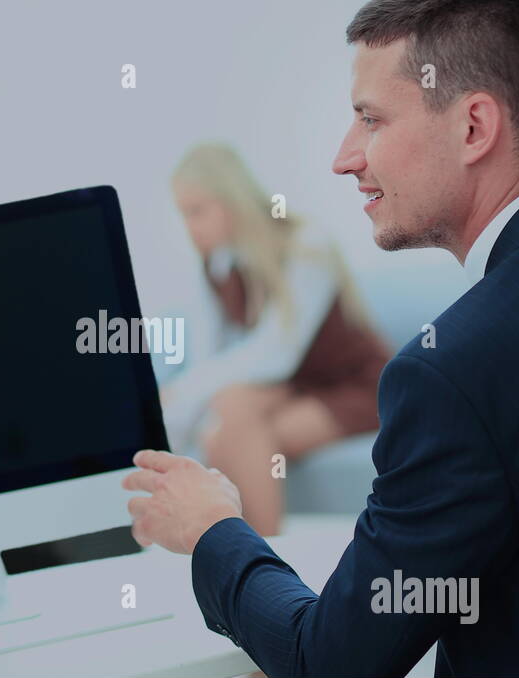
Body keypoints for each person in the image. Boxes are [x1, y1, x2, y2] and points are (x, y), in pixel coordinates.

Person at [122, 0, 519, 676]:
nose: (343, 158)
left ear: (473, 127)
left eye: (371, 119)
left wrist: (213, 531)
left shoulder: (452, 374)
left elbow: (327, 662)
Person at [162, 143, 391, 535]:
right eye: (184, 214)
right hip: (295, 389)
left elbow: (276, 355)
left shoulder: (305, 244)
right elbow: (211, 355)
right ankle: (255, 564)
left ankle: (265, 562)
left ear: (232, 201)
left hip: (355, 386)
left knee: (229, 434)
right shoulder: (217, 266)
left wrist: (181, 393)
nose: (190, 227)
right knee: (228, 419)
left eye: (197, 211)